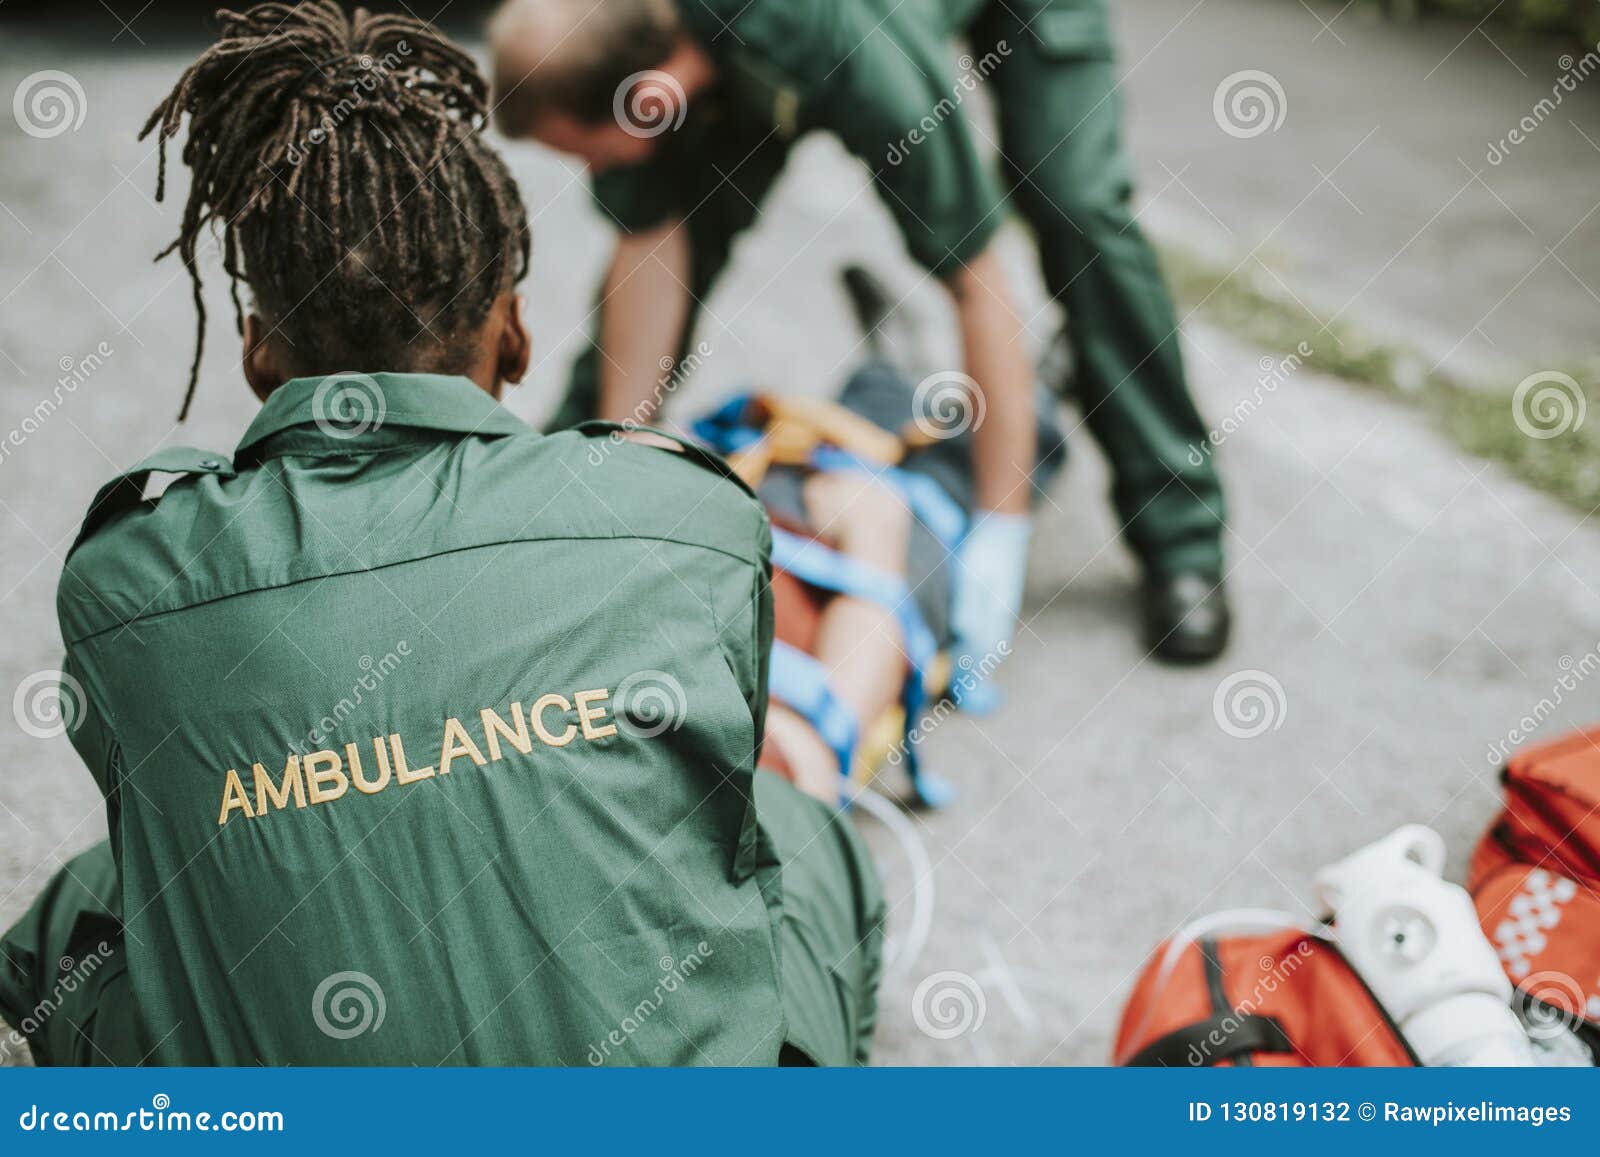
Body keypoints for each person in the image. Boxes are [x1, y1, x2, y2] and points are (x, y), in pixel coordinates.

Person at [0, 1, 881, 1067]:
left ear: (254, 353)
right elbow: (714, 820)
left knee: (110, 895)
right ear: (513, 328)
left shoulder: (129, 572)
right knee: (810, 842)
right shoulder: (683, 512)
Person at [489, 0, 1233, 666]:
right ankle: (557, 500)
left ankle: (1181, 536)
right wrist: (613, 463)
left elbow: (974, 278)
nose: (589, 174)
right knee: (689, 203)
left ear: (651, 97)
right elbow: (651, 239)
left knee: (1075, 207)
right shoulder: (633, 41)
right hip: (727, 56)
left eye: (584, 154)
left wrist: (999, 533)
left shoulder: (848, 45)